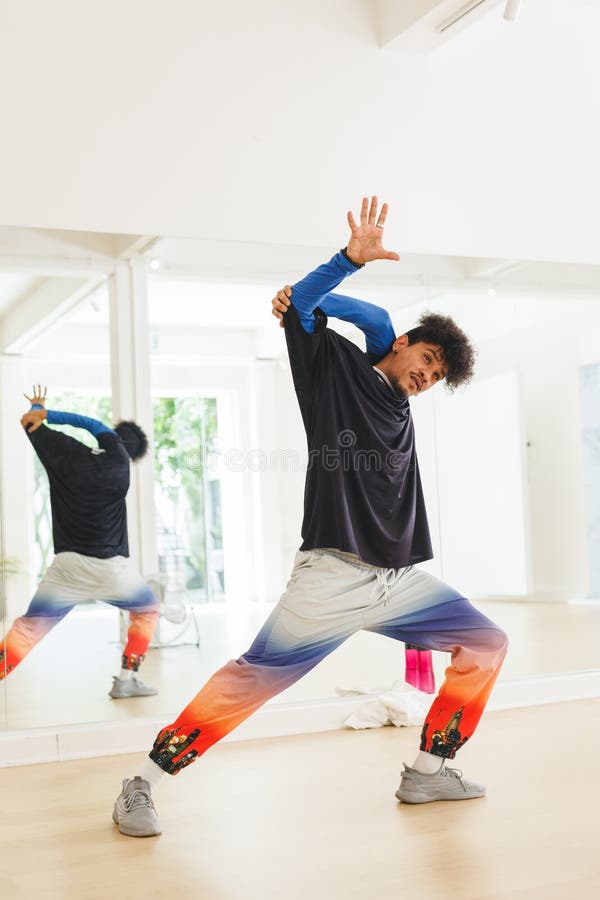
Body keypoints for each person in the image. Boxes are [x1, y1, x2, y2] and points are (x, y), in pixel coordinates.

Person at [112, 197, 508, 838]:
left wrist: (379, 327)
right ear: (403, 344)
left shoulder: (398, 405)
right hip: (332, 575)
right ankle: (142, 783)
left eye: (437, 376)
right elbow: (305, 304)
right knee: (251, 681)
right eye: (427, 360)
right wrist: (348, 265)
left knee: (487, 644)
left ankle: (429, 770)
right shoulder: (332, 371)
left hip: (397, 579)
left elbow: (371, 329)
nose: (426, 377)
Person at [0, 387, 159, 699]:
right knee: (148, 609)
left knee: (26, 630)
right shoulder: (120, 463)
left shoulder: (66, 453)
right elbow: (99, 430)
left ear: (114, 436)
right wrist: (46, 412)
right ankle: (126, 679)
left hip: (66, 569)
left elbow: (32, 423)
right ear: (129, 450)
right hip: (110, 570)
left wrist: (39, 409)